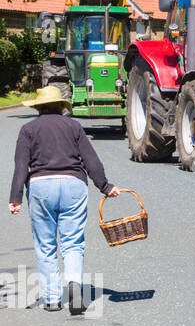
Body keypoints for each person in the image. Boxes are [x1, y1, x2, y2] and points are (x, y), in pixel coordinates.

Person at [9, 86, 120, 314]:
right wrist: (105, 186)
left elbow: (21, 165)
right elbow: (91, 160)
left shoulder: (27, 129)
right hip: (73, 184)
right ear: (61, 106)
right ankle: (74, 284)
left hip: (41, 186)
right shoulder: (73, 126)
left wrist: (15, 197)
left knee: (46, 245)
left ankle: (51, 299)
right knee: (73, 242)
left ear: (38, 107)